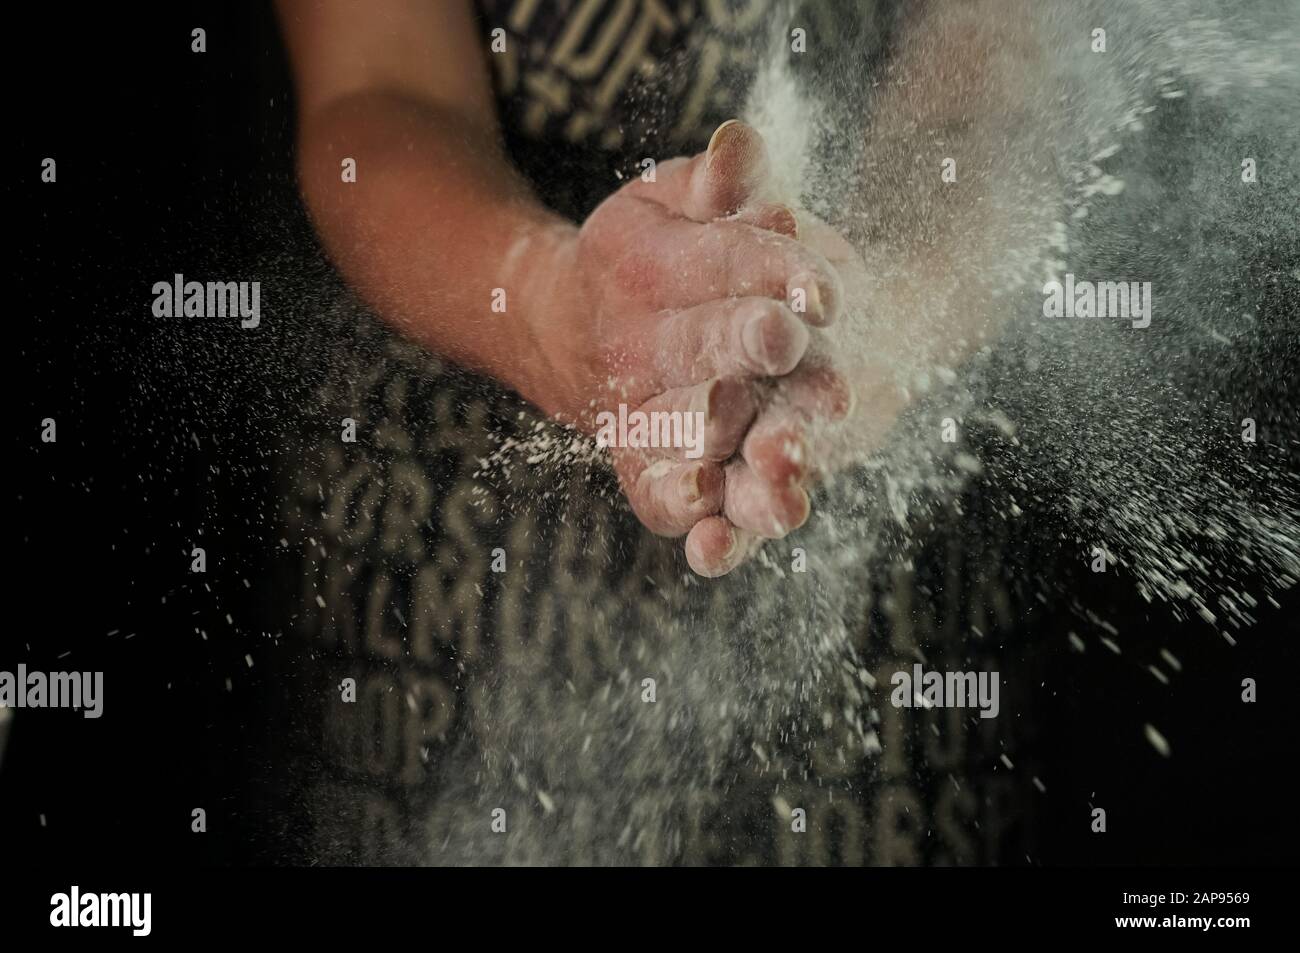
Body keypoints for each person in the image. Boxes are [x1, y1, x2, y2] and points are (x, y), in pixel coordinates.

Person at [275, 0, 1048, 864]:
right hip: (465, 477)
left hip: (875, 508)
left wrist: (873, 326)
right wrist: (545, 300)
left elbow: (989, 96)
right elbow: (378, 85)